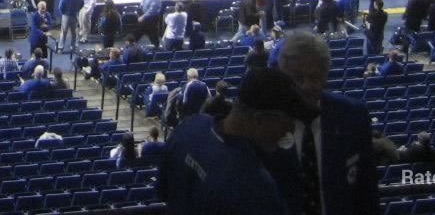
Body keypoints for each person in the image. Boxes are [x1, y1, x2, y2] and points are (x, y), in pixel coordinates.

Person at [158, 68, 317, 215]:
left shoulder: (189, 127)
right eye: (287, 123)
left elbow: (162, 191)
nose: (288, 132)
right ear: (260, 120)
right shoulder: (257, 187)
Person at [272, 31, 380, 215]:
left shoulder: (352, 115)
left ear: (326, 76)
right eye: (298, 78)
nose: (306, 85)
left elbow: (366, 190)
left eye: (314, 77)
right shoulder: (268, 121)